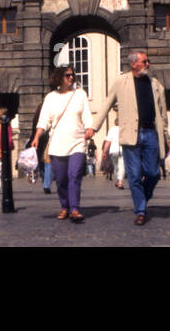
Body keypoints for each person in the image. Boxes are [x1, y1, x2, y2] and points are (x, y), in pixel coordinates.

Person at [88, 50, 169, 226]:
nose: (148, 64)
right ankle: (140, 210)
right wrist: (94, 127)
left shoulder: (155, 84)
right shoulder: (121, 82)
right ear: (134, 64)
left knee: (153, 173)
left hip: (151, 133)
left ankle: (143, 199)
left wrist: (166, 137)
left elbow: (163, 115)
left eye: (148, 61)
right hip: (130, 134)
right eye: (145, 61)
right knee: (134, 176)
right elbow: (106, 104)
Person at [31, 65, 94, 223]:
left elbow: (86, 114)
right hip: (57, 144)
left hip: (77, 142)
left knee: (74, 176)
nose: (71, 77)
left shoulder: (80, 94)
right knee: (60, 180)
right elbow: (43, 121)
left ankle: (74, 209)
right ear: (59, 77)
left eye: (73, 75)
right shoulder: (51, 97)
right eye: (67, 75)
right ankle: (65, 206)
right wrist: (37, 136)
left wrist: (90, 128)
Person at [29, 99, 53, 194]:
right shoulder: (50, 111)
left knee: (41, 161)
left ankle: (45, 181)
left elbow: (34, 127)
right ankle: (46, 184)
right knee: (48, 161)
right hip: (48, 138)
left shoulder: (38, 113)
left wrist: (33, 139)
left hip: (38, 138)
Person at [102, 109, 125, 189]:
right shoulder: (123, 129)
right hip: (123, 150)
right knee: (122, 166)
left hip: (113, 150)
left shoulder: (111, 129)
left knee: (116, 167)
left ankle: (117, 181)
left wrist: (104, 152)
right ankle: (120, 182)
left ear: (115, 123)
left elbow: (107, 142)